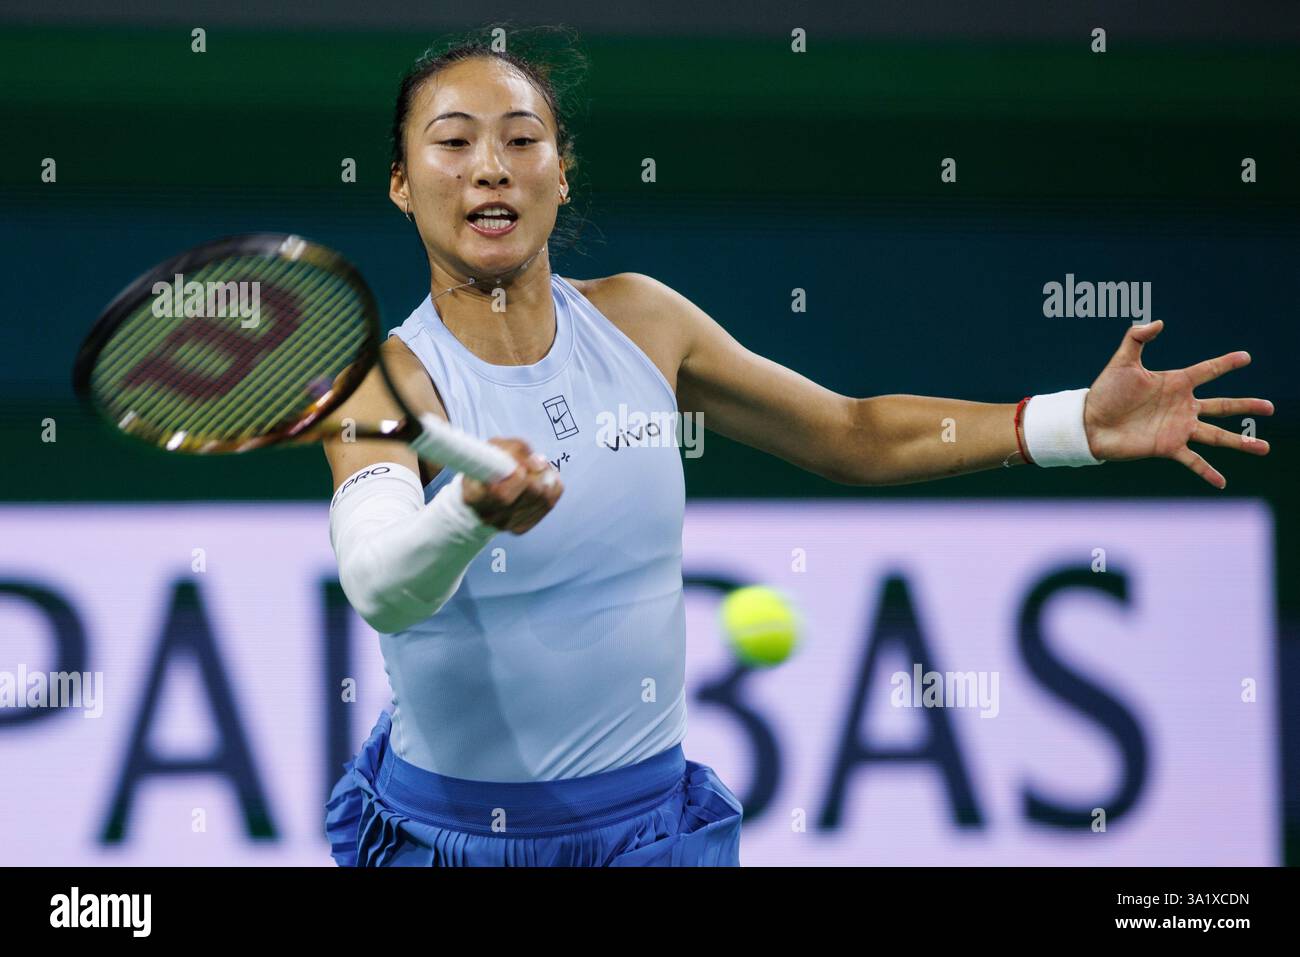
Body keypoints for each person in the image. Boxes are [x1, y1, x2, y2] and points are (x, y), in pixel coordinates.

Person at [322, 33, 1272, 867]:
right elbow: (381, 584)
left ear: (561, 171)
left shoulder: (644, 322)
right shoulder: (384, 383)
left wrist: (1072, 426)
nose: (490, 166)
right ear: (402, 182)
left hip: (657, 835)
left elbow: (850, 433)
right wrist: (466, 512)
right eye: (453, 142)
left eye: (521, 138)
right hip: (448, 842)